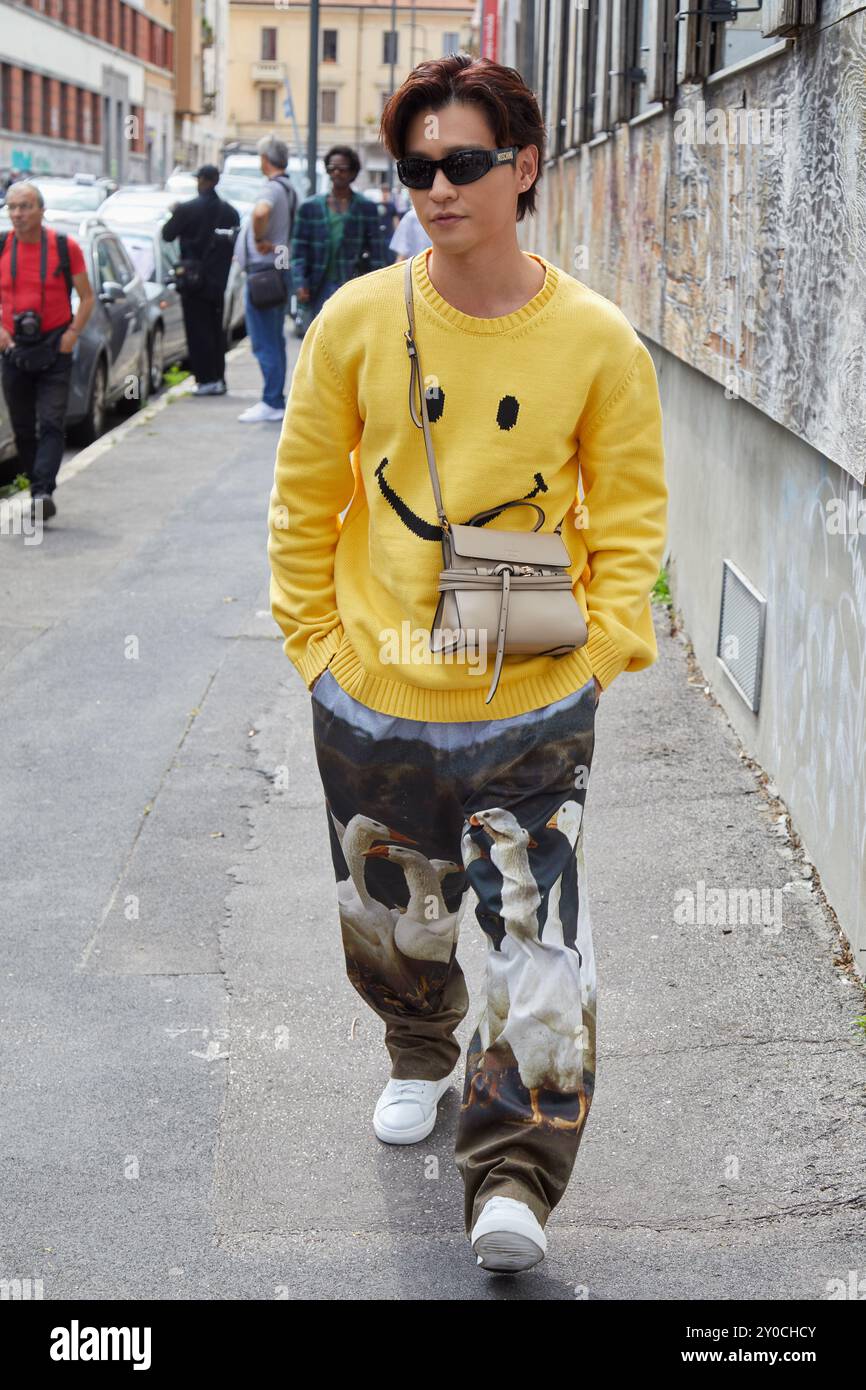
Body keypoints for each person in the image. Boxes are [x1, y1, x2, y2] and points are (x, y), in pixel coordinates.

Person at [268, 55, 667, 1274]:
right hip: (371, 685)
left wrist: (592, 656)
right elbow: (302, 500)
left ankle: (513, 1173)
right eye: (416, 168)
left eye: (462, 163)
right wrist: (315, 652)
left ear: (523, 166)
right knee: (396, 923)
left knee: (535, 935)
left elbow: (631, 520)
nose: (436, 188)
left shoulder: (594, 339)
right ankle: (415, 1050)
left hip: (531, 691)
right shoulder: (356, 318)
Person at [0, 180, 94, 521]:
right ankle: (38, 488)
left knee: (52, 422)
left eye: (24, 206)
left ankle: (42, 491)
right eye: (12, 207)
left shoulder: (65, 247)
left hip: (56, 346)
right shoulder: (2, 246)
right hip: (14, 348)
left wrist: (72, 333)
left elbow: (87, 297)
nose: (17, 214)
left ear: (41, 210)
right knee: (23, 427)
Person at [289, 145, 389, 338]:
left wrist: (379, 290)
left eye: (342, 169)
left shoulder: (366, 208)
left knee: (350, 340)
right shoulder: (310, 208)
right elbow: (298, 250)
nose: (336, 173)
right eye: (332, 168)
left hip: (353, 285)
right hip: (318, 285)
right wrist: (300, 283)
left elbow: (378, 253)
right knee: (318, 340)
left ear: (352, 172)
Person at [235, 136, 298, 423]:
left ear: (264, 159)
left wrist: (258, 237)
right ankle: (275, 399)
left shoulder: (272, 188)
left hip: (264, 273)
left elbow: (261, 212)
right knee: (273, 337)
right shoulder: (288, 188)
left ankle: (271, 400)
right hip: (276, 271)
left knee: (264, 340)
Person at [161, 164, 239, 397]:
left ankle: (204, 379)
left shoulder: (186, 209)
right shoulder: (230, 212)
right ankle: (218, 378)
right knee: (216, 331)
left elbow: (167, 234)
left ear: (203, 181)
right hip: (217, 283)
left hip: (193, 283)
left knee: (197, 332)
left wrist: (174, 213)